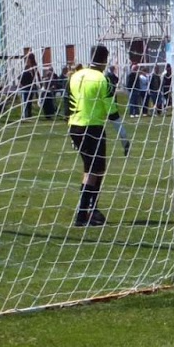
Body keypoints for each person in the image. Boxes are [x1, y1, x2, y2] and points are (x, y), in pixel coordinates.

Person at [66, 45, 128, 228]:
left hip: (75, 127)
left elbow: (66, 104)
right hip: (92, 128)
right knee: (93, 171)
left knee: (95, 169)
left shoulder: (75, 76)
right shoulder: (103, 79)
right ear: (104, 59)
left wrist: (70, 130)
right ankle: (82, 214)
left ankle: (92, 210)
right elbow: (112, 112)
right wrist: (124, 138)